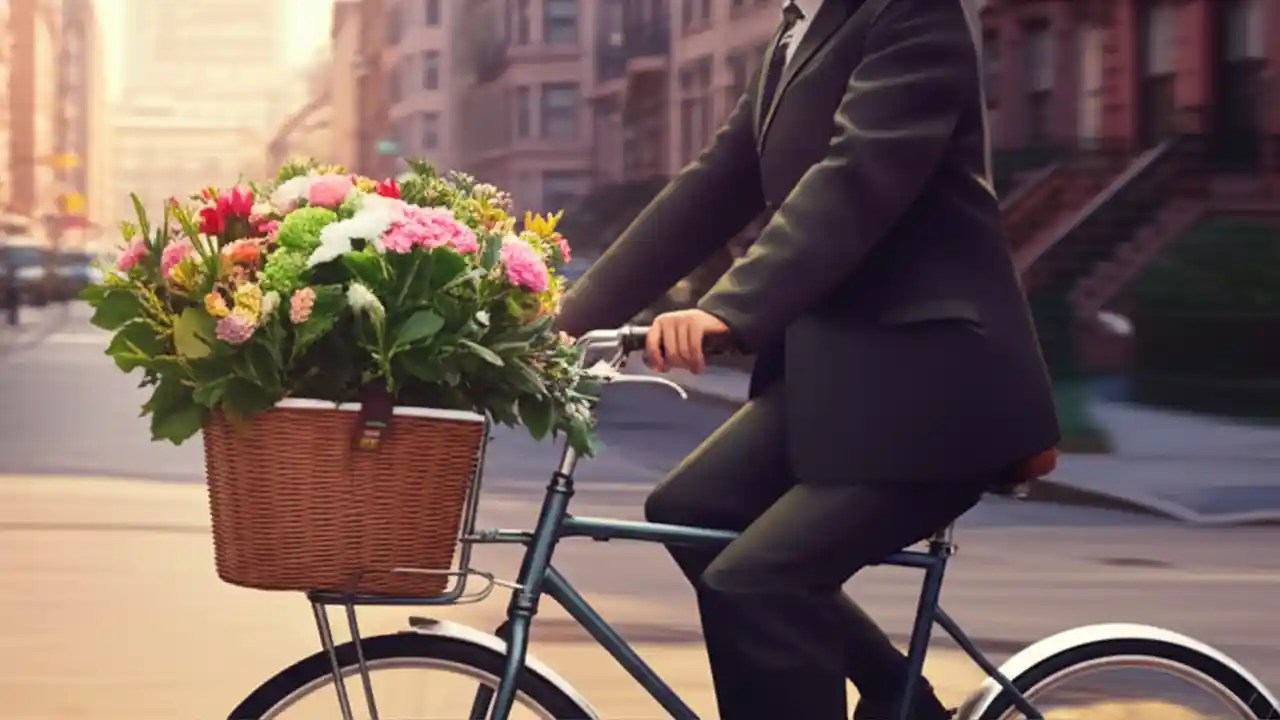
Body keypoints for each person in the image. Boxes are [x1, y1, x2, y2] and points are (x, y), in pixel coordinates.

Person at [556, 0, 1060, 717]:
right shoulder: (804, 28)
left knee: (758, 582)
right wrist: (563, 322)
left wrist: (728, 309)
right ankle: (901, 699)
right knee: (691, 513)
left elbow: (856, 179)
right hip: (846, 378)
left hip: (939, 388)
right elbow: (710, 188)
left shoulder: (913, 14)